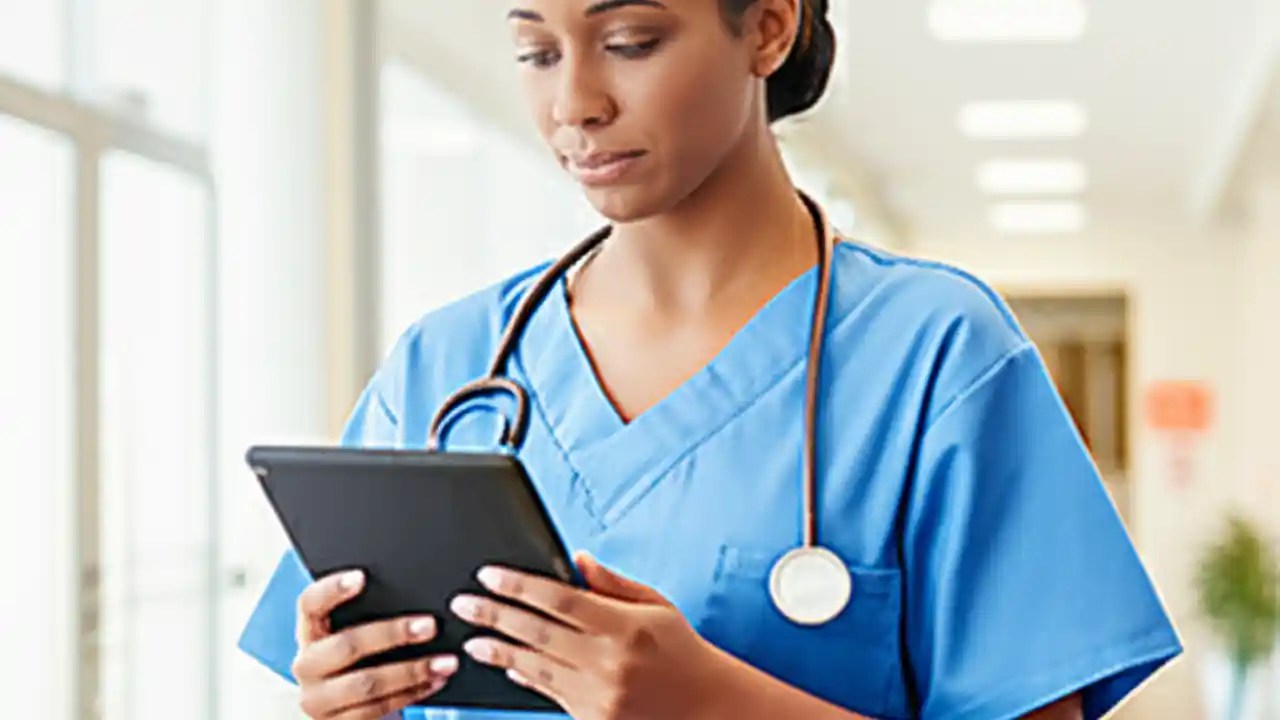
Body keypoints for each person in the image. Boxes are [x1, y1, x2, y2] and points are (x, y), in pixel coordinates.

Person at [238, 0, 1183, 718]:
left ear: (768, 28)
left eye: (630, 42)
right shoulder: (447, 362)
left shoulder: (934, 353)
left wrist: (711, 702)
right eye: (535, 51)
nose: (575, 104)